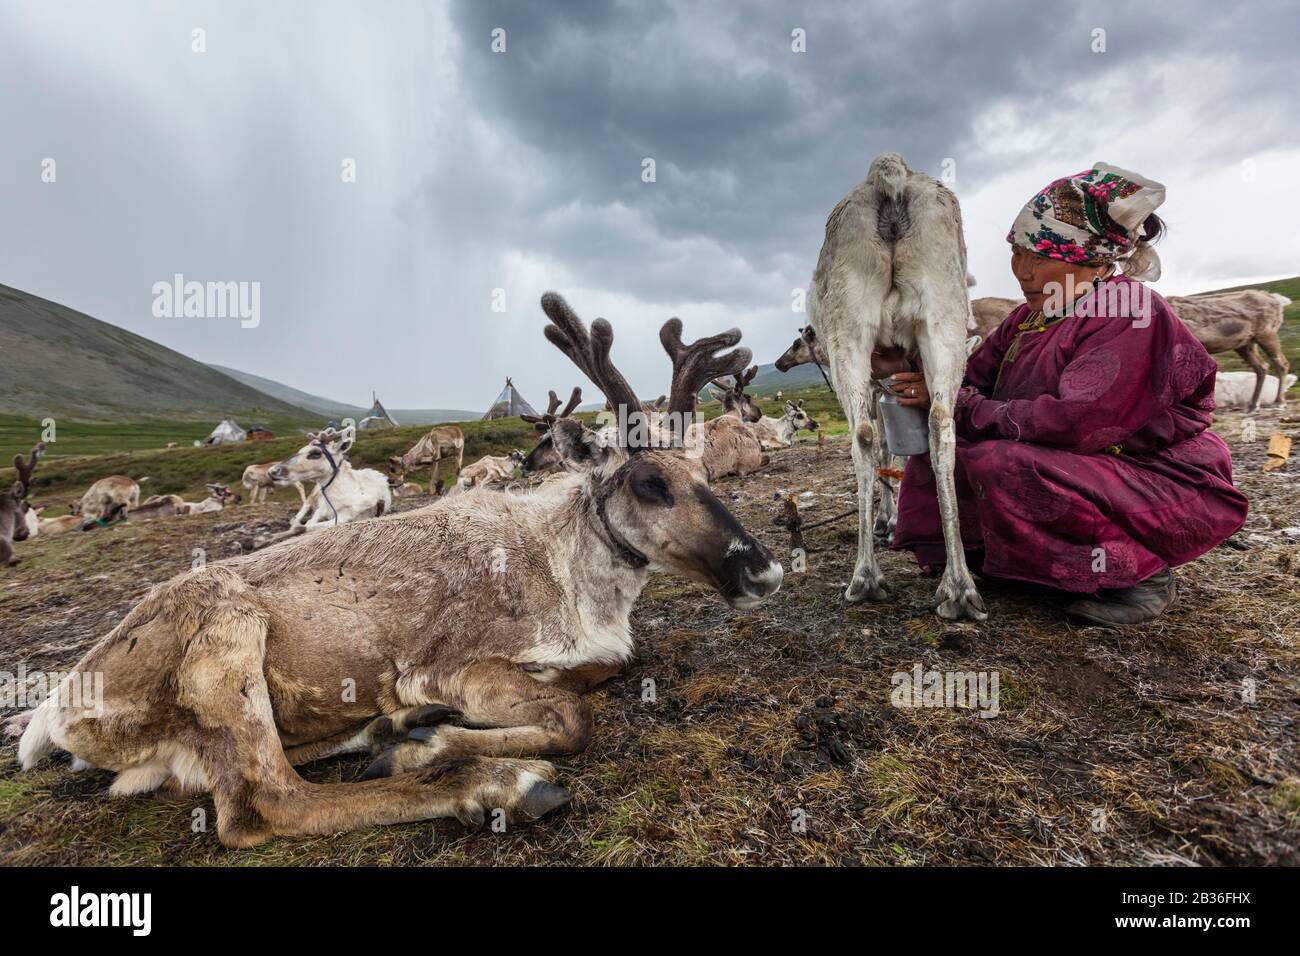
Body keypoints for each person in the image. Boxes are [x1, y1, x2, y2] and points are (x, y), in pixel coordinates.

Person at [877, 163, 1248, 626]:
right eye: (1017, 254)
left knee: (1002, 462)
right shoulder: (1028, 319)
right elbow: (970, 379)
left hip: (1149, 470)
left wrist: (960, 405)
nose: (1022, 272)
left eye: (1039, 258)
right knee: (943, 447)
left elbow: (1079, 423)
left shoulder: (1128, 311)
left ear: (1091, 260)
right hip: (1074, 459)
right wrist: (922, 378)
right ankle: (1006, 561)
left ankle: (1136, 575)